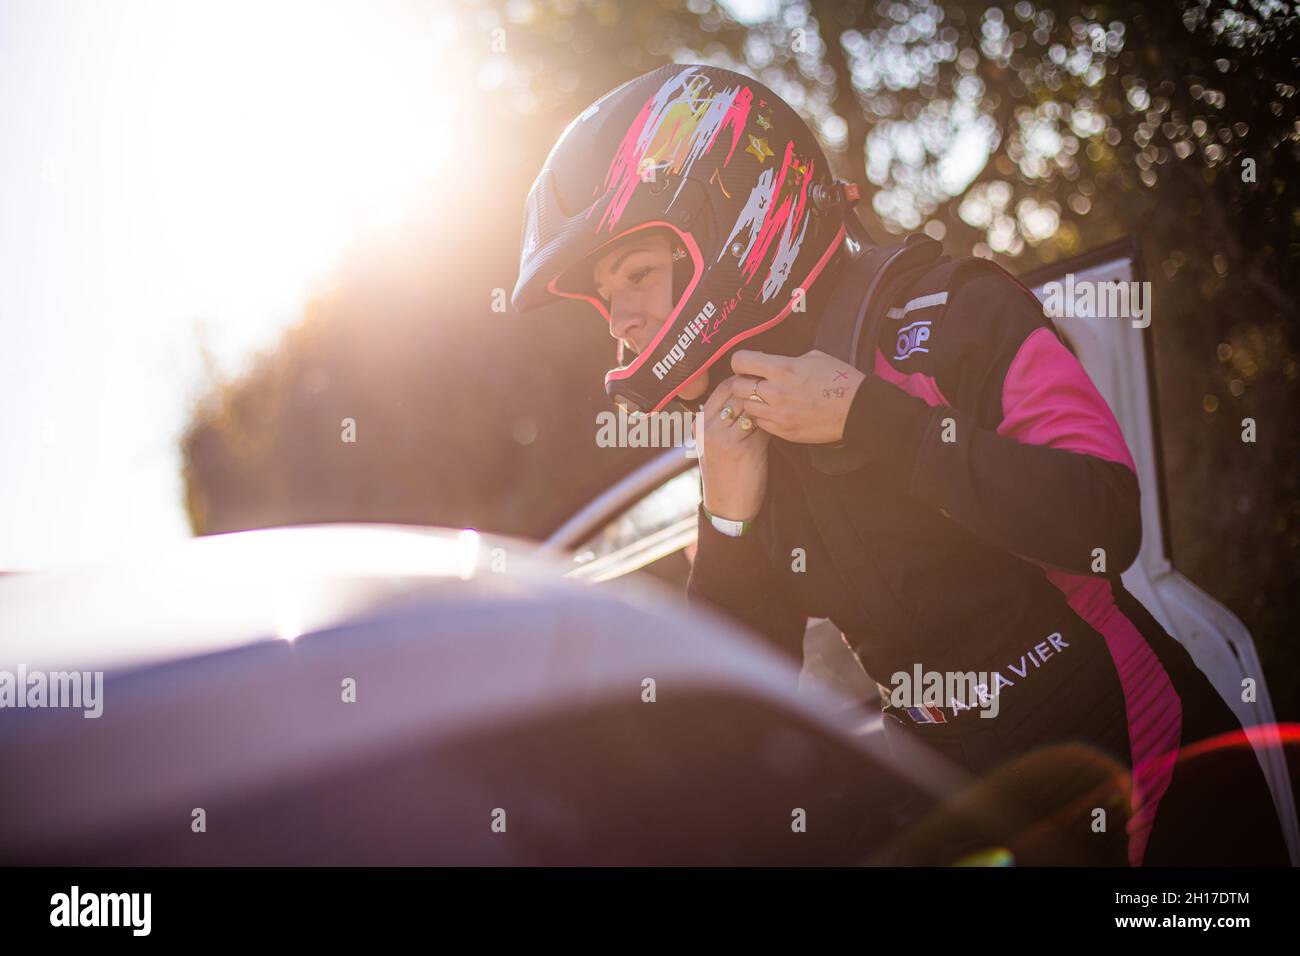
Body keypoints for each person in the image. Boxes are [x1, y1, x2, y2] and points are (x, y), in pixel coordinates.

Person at [510, 63, 1289, 866]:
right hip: (966, 801)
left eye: (638, 274)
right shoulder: (745, 425)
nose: (624, 324)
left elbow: (1104, 518)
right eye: (610, 299)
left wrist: (873, 419)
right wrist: (729, 518)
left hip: (1157, 781)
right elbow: (740, 705)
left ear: (731, 220)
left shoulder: (954, 310)